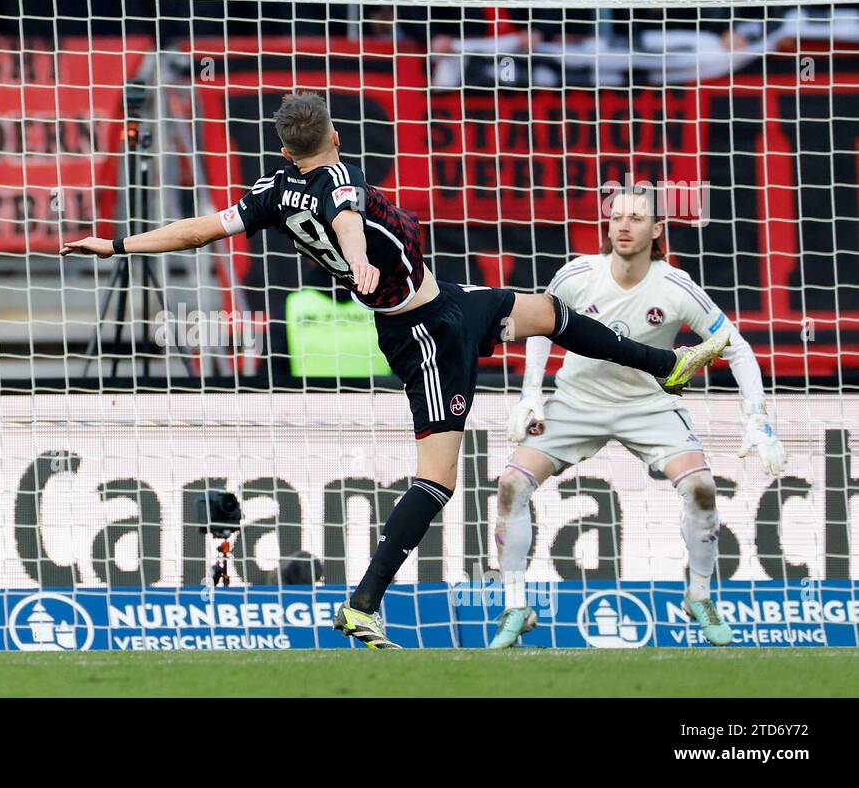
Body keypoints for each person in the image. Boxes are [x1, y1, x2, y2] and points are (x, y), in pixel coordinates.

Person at [62, 93, 730, 648]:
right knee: (438, 479)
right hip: (424, 334)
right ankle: (363, 602)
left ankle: (665, 365)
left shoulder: (272, 191)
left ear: (286, 149)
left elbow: (200, 229)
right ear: (335, 135)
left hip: (448, 305)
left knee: (549, 312)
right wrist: (355, 259)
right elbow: (347, 216)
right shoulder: (339, 181)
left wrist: (116, 242)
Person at [490, 187, 786, 648]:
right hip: (577, 402)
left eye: (637, 218)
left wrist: (757, 419)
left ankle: (699, 596)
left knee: (702, 490)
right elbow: (537, 321)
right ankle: (515, 605)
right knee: (511, 484)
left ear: (657, 230)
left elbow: (737, 347)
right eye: (617, 217)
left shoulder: (674, 286)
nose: (624, 226)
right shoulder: (578, 274)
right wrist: (531, 394)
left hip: (649, 406)